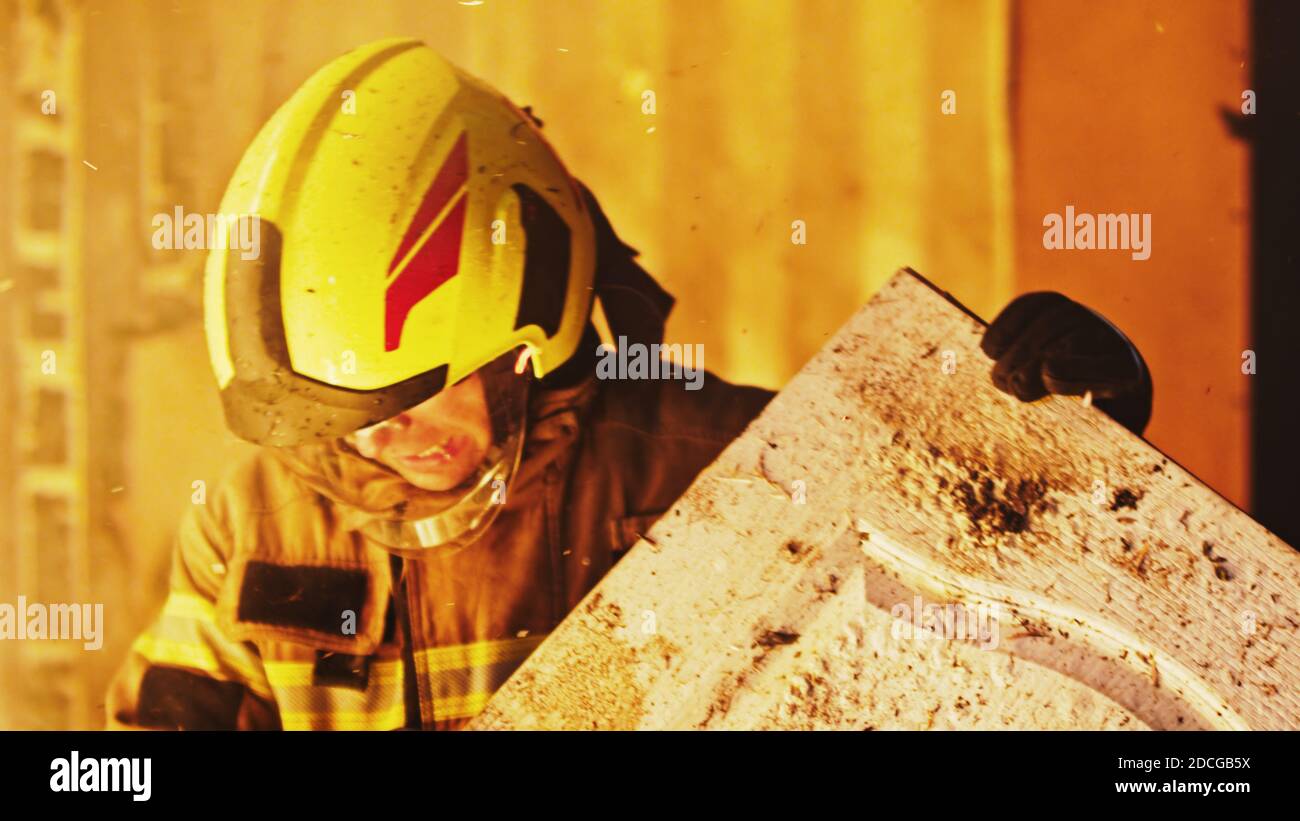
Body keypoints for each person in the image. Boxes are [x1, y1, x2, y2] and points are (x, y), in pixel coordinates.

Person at [107, 39, 1151, 730]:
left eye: (420, 390)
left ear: (538, 320)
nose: (391, 439)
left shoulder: (731, 464)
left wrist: (1076, 441)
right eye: (352, 421)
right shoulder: (252, 527)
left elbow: (994, 625)